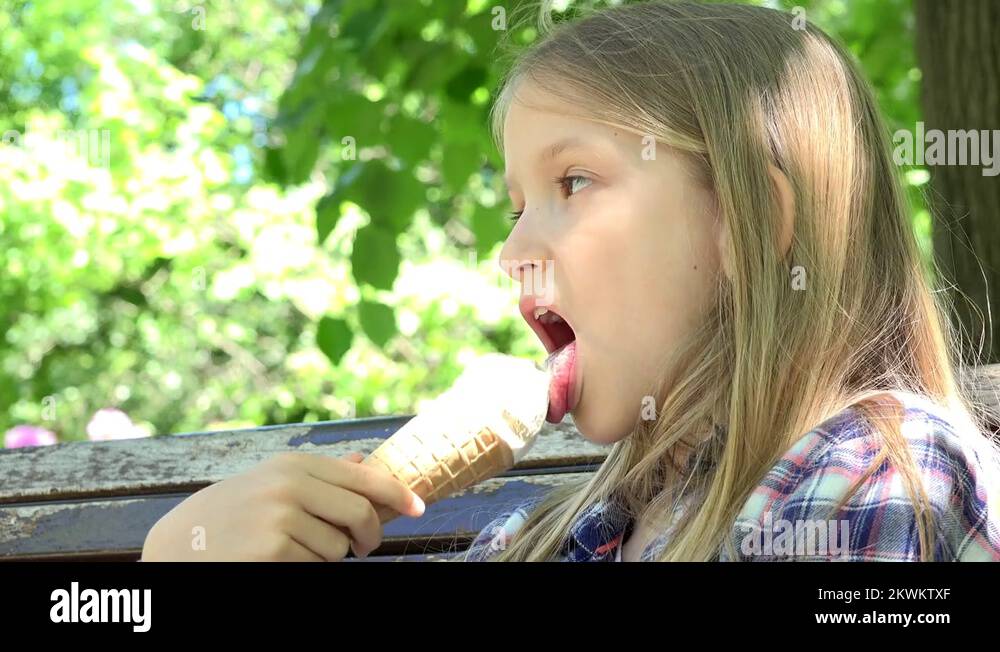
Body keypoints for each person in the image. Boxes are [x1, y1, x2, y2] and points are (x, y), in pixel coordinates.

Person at [141, 1, 1000, 562]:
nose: (512, 252)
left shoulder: (879, 475)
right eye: (515, 205)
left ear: (753, 221)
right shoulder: (549, 537)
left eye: (573, 183)